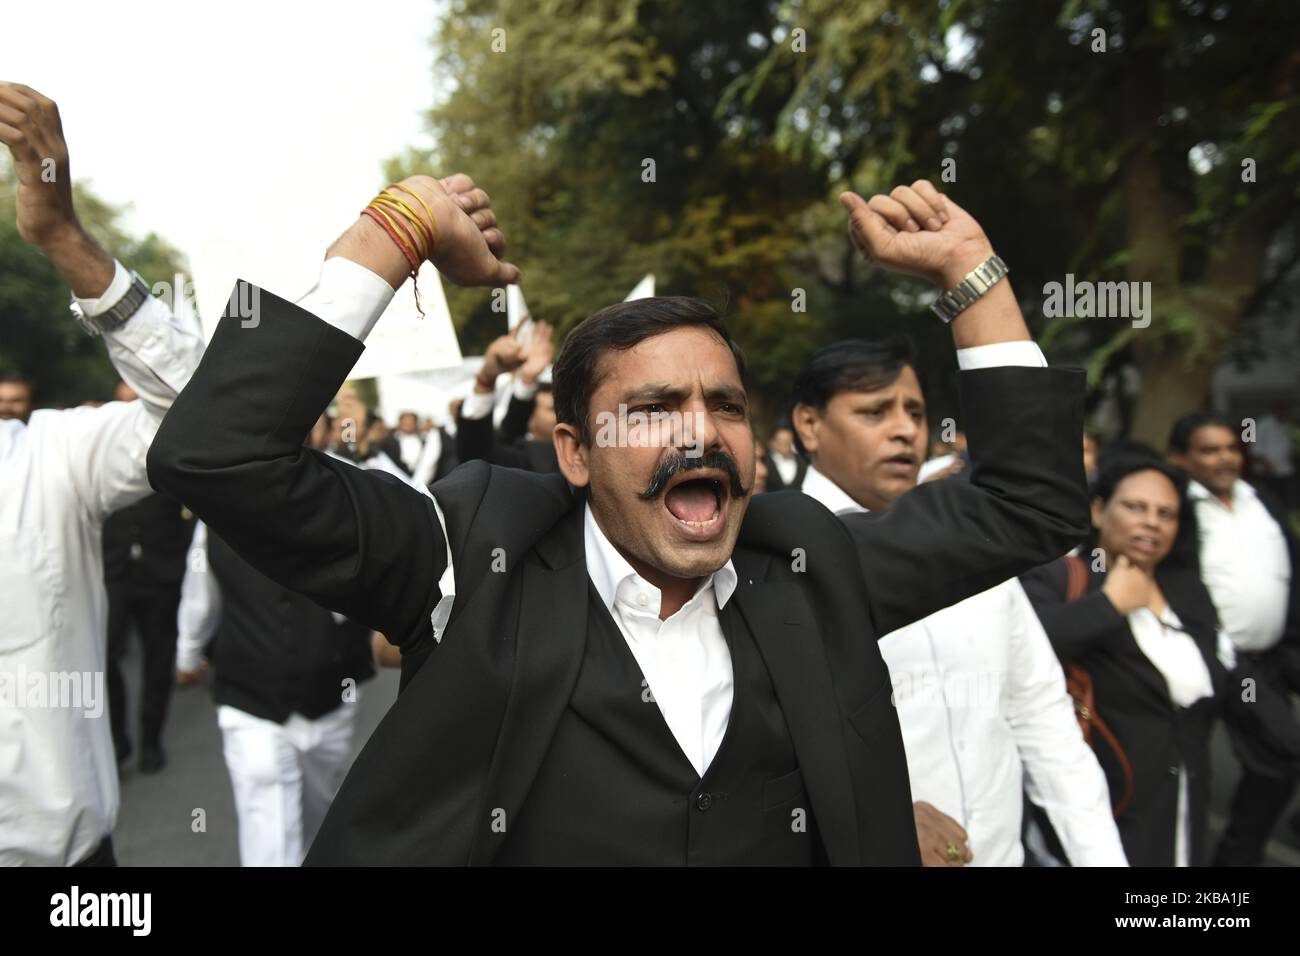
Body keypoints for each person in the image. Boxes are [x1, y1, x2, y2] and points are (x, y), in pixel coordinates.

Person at [147, 173, 1088, 865]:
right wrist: (399, 228)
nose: (700, 435)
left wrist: (971, 273)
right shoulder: (477, 552)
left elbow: (1026, 503)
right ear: (572, 453)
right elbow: (219, 455)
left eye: (723, 405)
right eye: (651, 411)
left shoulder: (803, 561)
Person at [792, 337, 1125, 867]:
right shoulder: (773, 565)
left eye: (916, 412)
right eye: (875, 411)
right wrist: (878, 823)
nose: (906, 430)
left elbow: (1040, 714)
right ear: (809, 424)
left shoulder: (972, 548)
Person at [0, 83, 204, 865]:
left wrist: (63, 238)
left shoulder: (46, 456)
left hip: (73, 874)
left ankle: (144, 742)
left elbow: (203, 413)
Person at [1020, 453, 1286, 866]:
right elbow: (1025, 649)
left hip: (1181, 818)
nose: (1151, 522)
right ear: (1098, 509)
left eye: (1166, 514)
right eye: (1135, 507)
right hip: (1092, 824)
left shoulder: (1186, 593)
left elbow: (1230, 677)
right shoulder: (1062, 578)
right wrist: (1111, 604)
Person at [175, 517, 375, 866]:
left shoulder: (343, 495)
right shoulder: (213, 521)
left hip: (330, 696)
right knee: (270, 830)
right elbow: (200, 598)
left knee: (322, 810)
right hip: (250, 699)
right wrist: (188, 656)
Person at [1167, 411, 1300, 865]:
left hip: (1270, 657)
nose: (1225, 458)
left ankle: (1237, 858)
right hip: (1211, 657)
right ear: (1181, 458)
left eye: (1230, 447)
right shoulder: (1176, 510)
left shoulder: (1260, 498)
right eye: (1209, 450)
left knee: (1279, 758)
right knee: (1186, 773)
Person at [103, 382, 196, 772]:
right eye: (125, 403)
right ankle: (117, 741)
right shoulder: (100, 457)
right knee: (105, 659)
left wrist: (178, 559)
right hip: (114, 576)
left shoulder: (176, 452)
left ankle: (150, 739)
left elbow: (195, 516)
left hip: (161, 576)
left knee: (158, 661)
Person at [456, 322, 559, 472]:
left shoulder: (584, 455)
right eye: (552, 409)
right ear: (530, 420)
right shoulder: (529, 459)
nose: (562, 415)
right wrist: (486, 379)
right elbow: (477, 458)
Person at [762, 421, 806, 491]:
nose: (785, 446)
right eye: (781, 442)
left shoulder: (802, 462)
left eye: (788, 441)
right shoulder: (765, 462)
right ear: (772, 442)